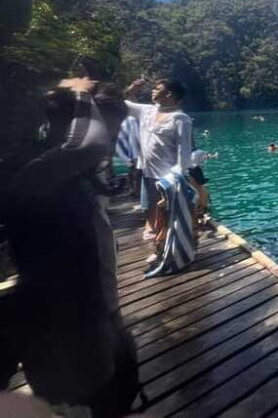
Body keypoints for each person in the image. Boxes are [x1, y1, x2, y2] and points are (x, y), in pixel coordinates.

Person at [1, 78, 139, 416]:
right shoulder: (32, 177)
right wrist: (79, 92)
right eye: (109, 131)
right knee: (85, 404)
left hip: (97, 316)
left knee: (114, 398)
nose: (110, 144)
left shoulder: (75, 181)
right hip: (65, 330)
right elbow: (86, 146)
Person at [124, 78, 193, 265]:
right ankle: (162, 247)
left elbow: (183, 152)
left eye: (157, 89)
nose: (153, 91)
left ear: (169, 94)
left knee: (167, 217)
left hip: (167, 179)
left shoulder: (181, 119)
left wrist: (174, 181)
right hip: (148, 174)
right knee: (149, 210)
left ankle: (164, 251)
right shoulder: (147, 111)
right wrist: (132, 88)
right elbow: (122, 103)